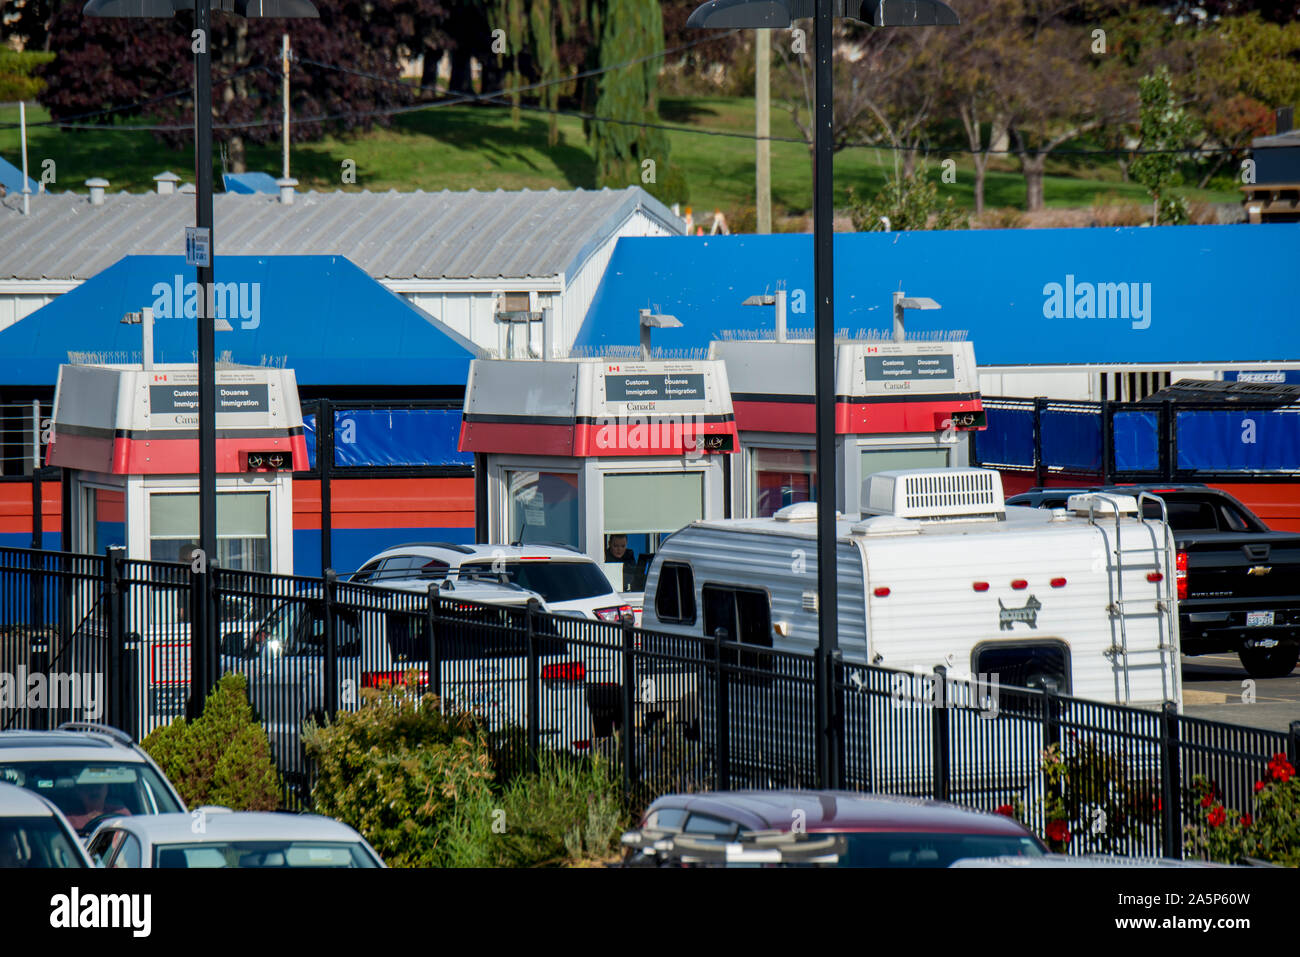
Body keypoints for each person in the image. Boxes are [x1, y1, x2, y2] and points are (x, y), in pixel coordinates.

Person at [64, 780, 129, 833]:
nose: (94, 791)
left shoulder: (121, 813)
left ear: (106, 789)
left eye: (99, 786)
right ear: (79, 792)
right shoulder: (69, 819)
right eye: (88, 787)